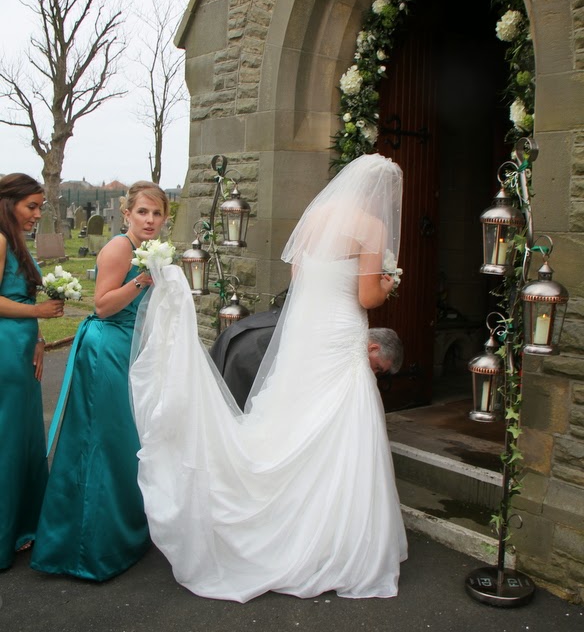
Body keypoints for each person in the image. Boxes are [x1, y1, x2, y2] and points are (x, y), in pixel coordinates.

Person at [130, 153, 408, 602]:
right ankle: (328, 538)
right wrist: (390, 282)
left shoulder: (316, 215)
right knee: (339, 424)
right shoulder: (371, 227)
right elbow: (367, 295)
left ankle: (268, 521)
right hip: (338, 332)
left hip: (303, 331)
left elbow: (298, 279)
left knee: (290, 418)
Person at [31, 181, 169, 581]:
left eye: (157, 214)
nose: (149, 220)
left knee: (122, 440)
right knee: (99, 443)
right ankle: (83, 549)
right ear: (127, 213)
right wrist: (142, 279)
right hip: (105, 347)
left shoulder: (146, 251)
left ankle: (119, 533)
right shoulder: (119, 248)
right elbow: (103, 305)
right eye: (143, 212)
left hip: (128, 348)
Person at [0, 174, 64, 570]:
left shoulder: (17, 242)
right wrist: (37, 313)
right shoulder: (1, 239)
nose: (37, 214)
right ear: (8, 203)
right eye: (32, 206)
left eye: (39, 206)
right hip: (5, 346)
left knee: (24, 438)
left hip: (24, 346)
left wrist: (39, 337)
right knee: (7, 439)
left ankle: (23, 526)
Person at [211, 306, 403, 410]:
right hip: (255, 350)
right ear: (373, 347)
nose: (374, 375)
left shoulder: (349, 339)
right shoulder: (343, 345)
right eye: (377, 367)